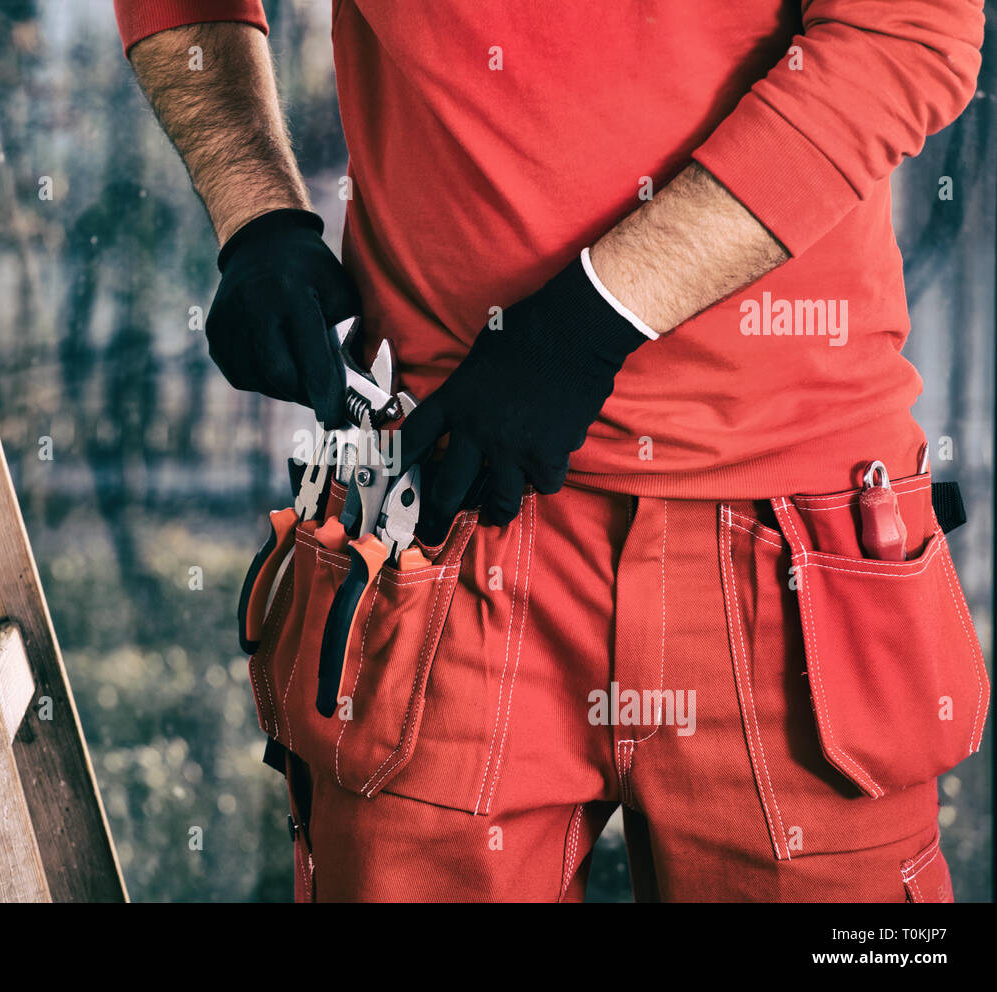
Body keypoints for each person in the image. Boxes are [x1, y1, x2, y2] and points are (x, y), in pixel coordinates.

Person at [117, 1, 989, 901]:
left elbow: (903, 35)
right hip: (440, 514)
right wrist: (258, 217)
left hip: (788, 537)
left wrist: (590, 322)